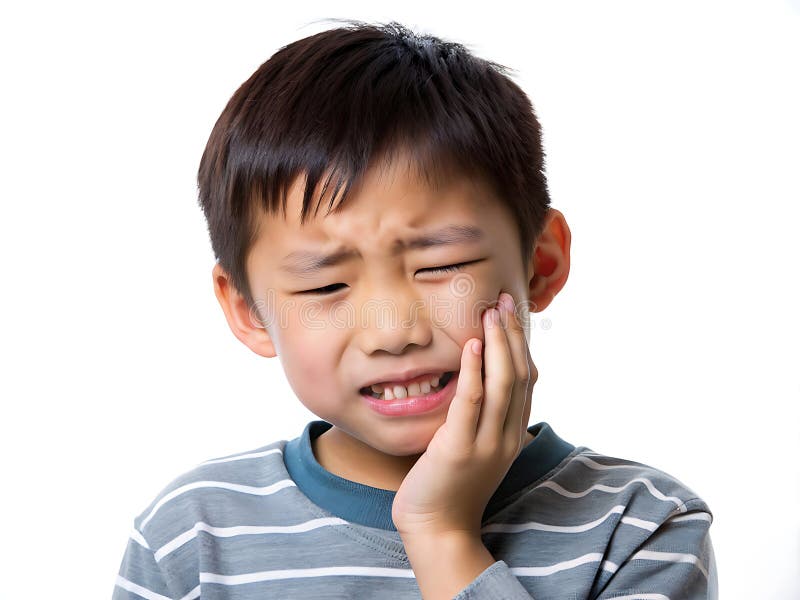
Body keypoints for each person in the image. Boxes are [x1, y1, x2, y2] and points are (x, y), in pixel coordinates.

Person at [113, 20, 717, 599]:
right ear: (248, 310)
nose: (391, 332)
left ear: (542, 263)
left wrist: (442, 534)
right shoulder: (190, 536)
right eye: (325, 286)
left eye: (439, 265)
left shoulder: (640, 528)